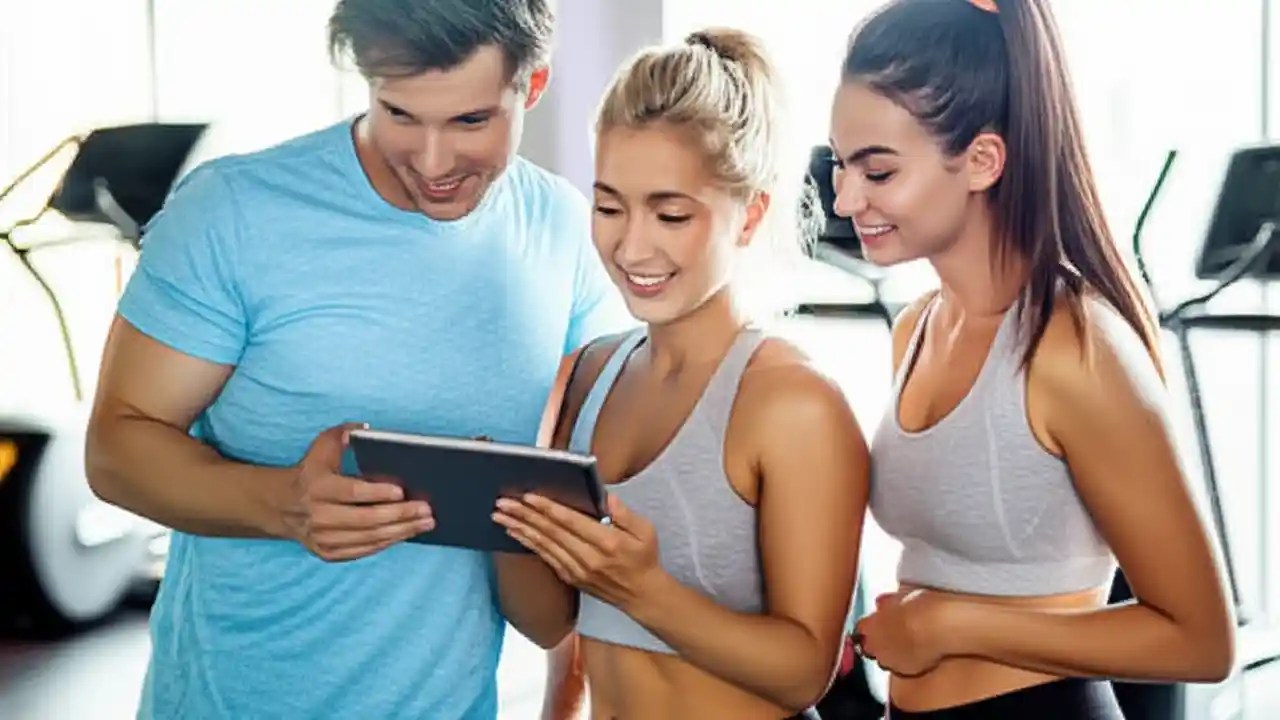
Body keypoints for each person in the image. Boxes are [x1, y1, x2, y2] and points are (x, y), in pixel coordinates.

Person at [83, 1, 632, 718]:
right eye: (400, 113)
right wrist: (282, 504)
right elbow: (115, 450)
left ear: (531, 87)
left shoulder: (562, 229)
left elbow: (592, 489)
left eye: (470, 121)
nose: (433, 163)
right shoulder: (233, 212)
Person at [827, 0, 1236, 718]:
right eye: (841, 165)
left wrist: (951, 625)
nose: (846, 196)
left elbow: (1201, 641)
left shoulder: (1074, 348)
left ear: (982, 161)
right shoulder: (918, 328)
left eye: (878, 171)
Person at [491, 27, 870, 720]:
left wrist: (643, 587)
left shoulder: (793, 403)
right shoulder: (594, 373)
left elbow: (804, 670)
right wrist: (499, 520)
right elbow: (555, 623)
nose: (631, 245)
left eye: (669, 214)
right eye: (608, 206)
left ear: (750, 215)